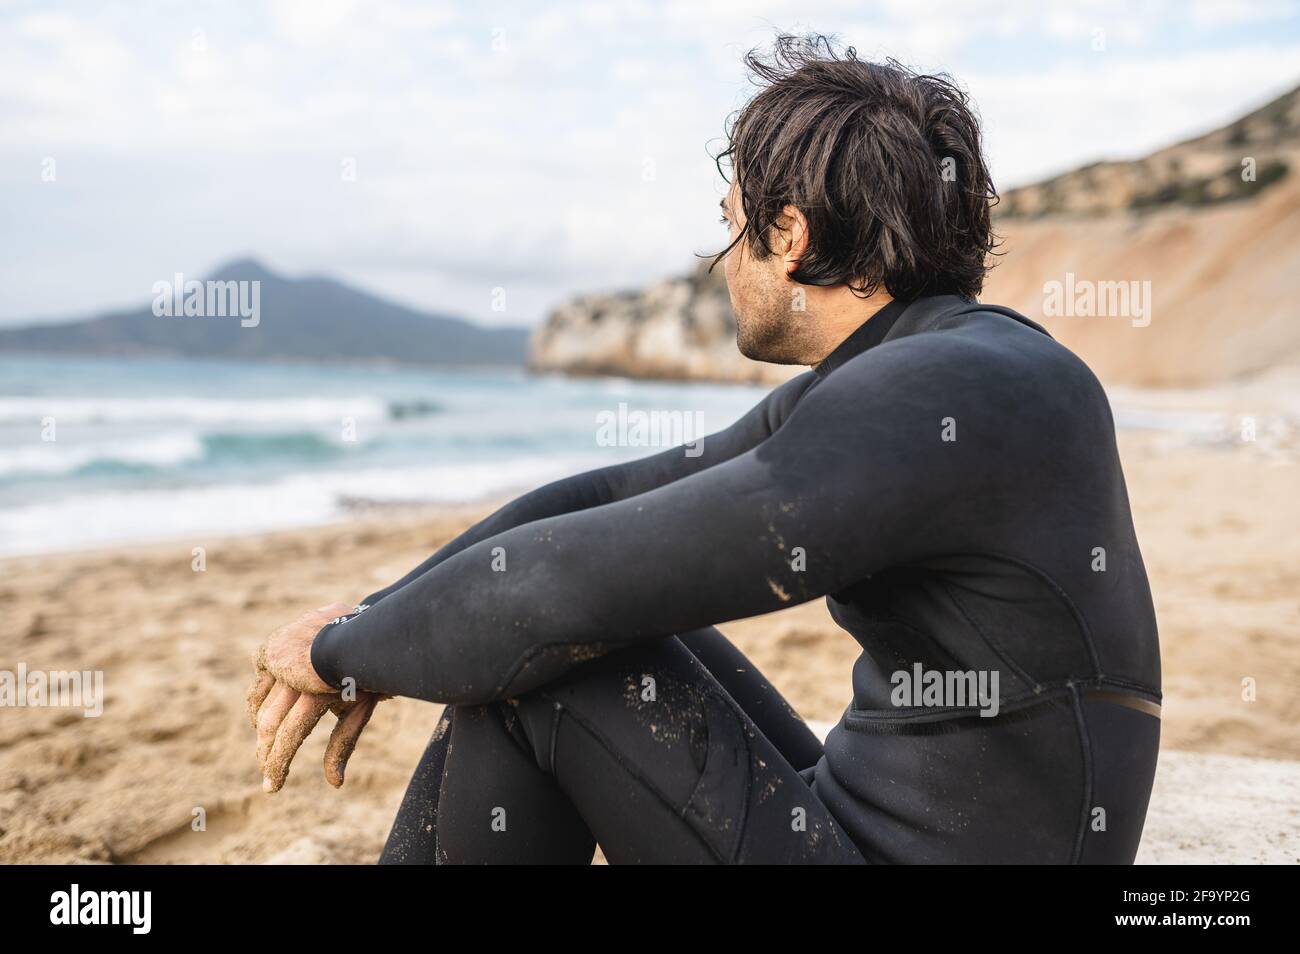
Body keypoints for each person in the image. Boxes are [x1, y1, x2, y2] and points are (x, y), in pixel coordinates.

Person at [247, 35, 1161, 864]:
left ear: (791, 237)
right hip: (869, 825)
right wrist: (371, 617)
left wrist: (341, 653)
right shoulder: (938, 372)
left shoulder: (943, 394)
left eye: (732, 225)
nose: (724, 261)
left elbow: (555, 590)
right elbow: (603, 502)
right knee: (571, 626)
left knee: (546, 662)